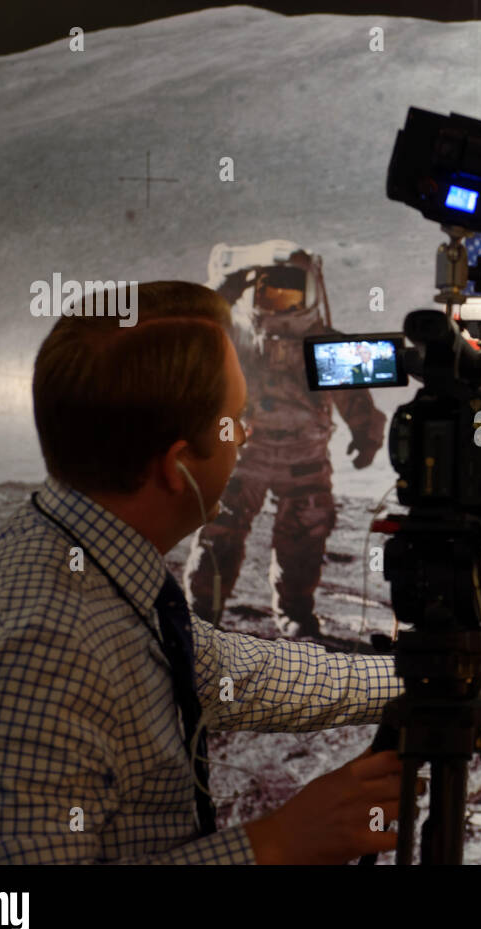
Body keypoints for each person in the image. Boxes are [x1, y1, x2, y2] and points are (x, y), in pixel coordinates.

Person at [0, 281, 406, 864]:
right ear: (179, 465)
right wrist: (276, 843)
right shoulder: (41, 648)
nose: (246, 434)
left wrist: (411, 681)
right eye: (233, 421)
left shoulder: (94, 566)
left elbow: (232, 673)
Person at [186, 240, 386, 643]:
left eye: (290, 290)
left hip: (304, 456)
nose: (279, 300)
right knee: (220, 533)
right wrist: (221, 292)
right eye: (269, 290)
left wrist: (367, 437)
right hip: (245, 455)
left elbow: (357, 400)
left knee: (303, 539)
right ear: (251, 289)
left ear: (310, 291)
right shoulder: (234, 334)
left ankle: (295, 616)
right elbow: (190, 327)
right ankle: (201, 615)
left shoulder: (325, 342)